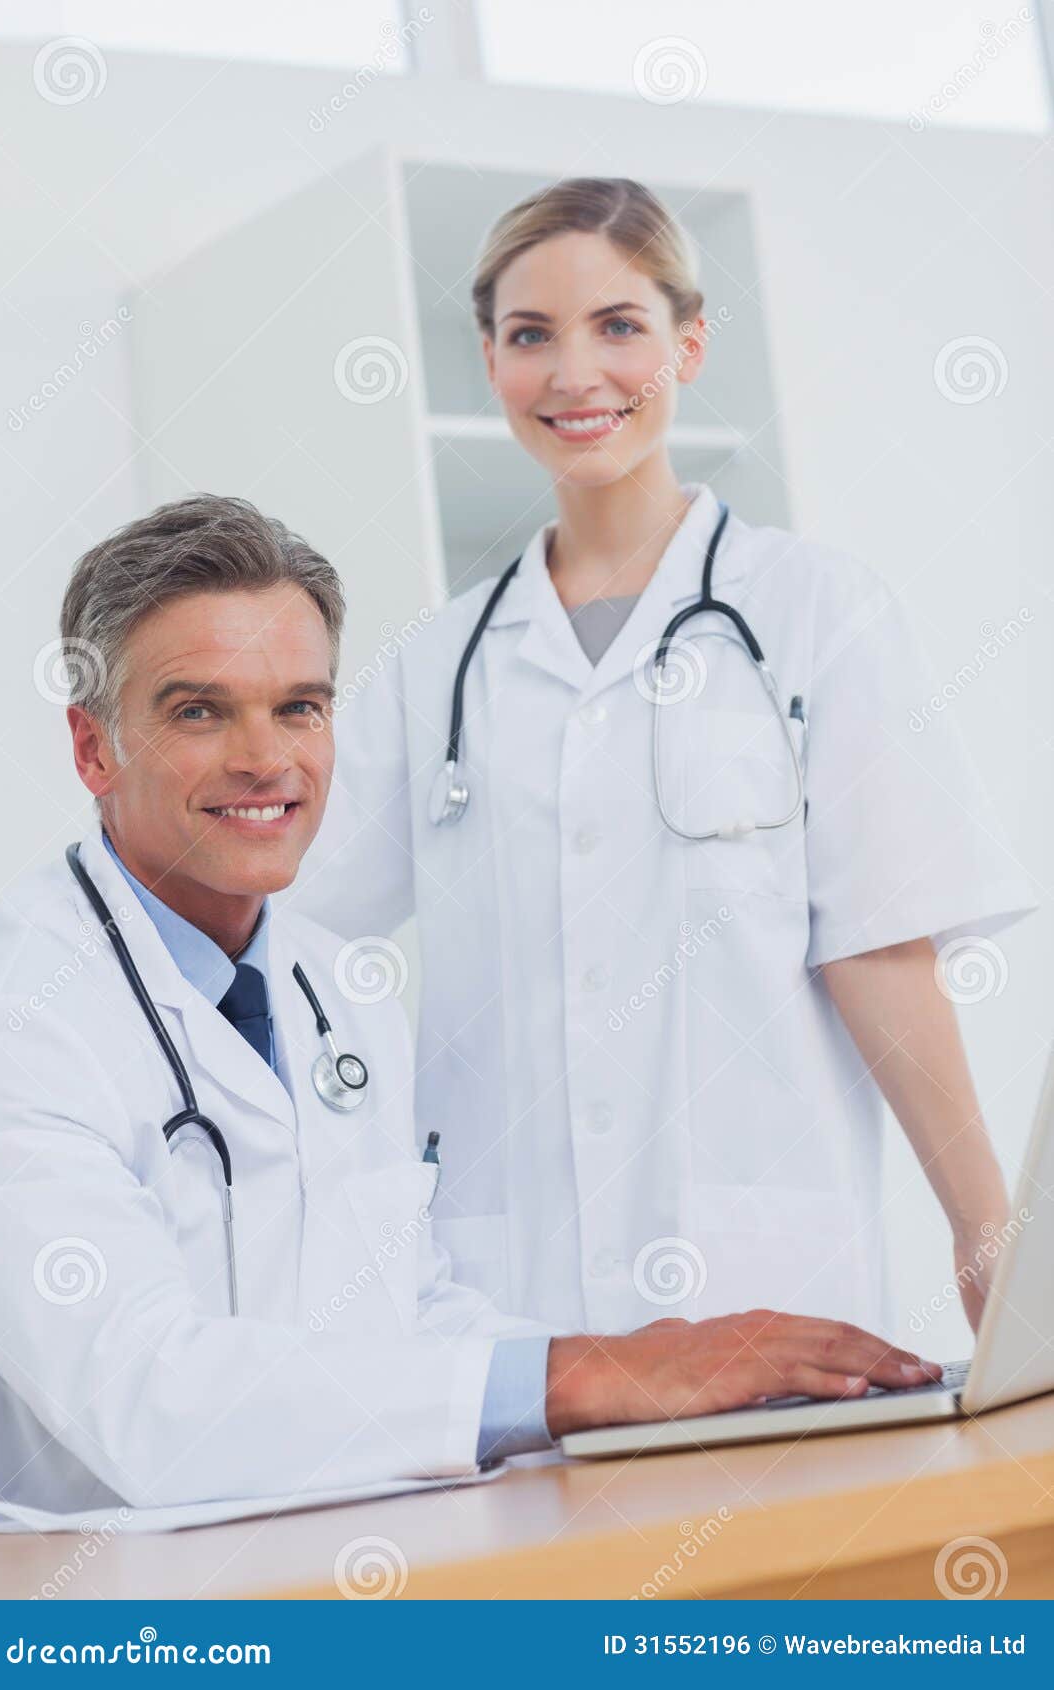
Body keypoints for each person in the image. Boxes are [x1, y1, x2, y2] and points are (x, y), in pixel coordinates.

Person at [0, 495, 939, 1524]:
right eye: (199, 711)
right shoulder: (25, 1005)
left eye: (299, 706)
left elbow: (404, 1306)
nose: (266, 759)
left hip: (343, 1561)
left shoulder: (336, 997)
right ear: (92, 749)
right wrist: (569, 1376)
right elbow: (143, 1396)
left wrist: (642, 1373)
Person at [290, 177, 1034, 1339]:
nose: (573, 374)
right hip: (504, 1311)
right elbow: (296, 935)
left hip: (764, 1281)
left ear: (686, 342)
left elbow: (877, 948)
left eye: (618, 326)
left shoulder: (812, 612)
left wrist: (983, 1225)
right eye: (529, 335)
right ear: (489, 362)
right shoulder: (432, 667)